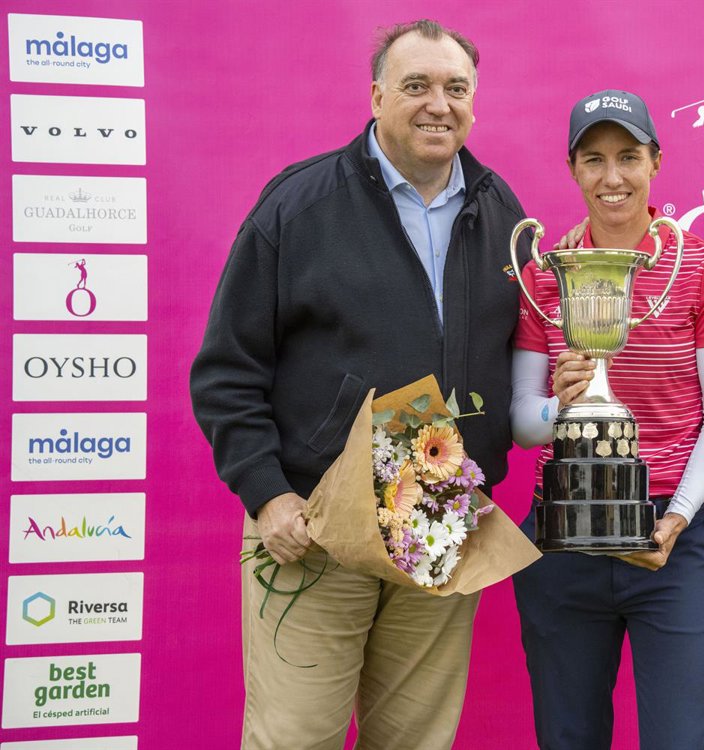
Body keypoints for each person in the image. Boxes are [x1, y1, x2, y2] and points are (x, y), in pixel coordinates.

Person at [190, 20, 528, 750]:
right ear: (377, 96)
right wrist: (267, 492)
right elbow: (227, 368)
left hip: (439, 512)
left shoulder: (501, 212)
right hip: (314, 522)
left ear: (474, 101)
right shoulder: (299, 206)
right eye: (416, 86)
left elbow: (507, 363)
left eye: (455, 88)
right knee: (296, 736)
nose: (438, 104)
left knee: (415, 739)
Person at [509, 89, 704, 749]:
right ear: (573, 168)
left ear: (656, 162)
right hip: (562, 536)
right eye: (594, 160)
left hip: (673, 538)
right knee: (568, 737)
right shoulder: (545, 275)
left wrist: (676, 520)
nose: (612, 177)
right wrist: (560, 404)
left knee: (680, 740)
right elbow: (525, 423)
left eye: (628, 157)